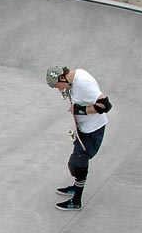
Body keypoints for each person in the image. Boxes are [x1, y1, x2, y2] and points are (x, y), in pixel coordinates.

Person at [44, 66, 112, 211]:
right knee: (74, 163)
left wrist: (81, 110)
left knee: (78, 164)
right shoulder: (74, 76)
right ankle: (76, 187)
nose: (58, 89)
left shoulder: (83, 84)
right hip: (84, 129)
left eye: (57, 86)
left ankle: (76, 201)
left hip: (93, 130)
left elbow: (106, 105)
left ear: (61, 78)